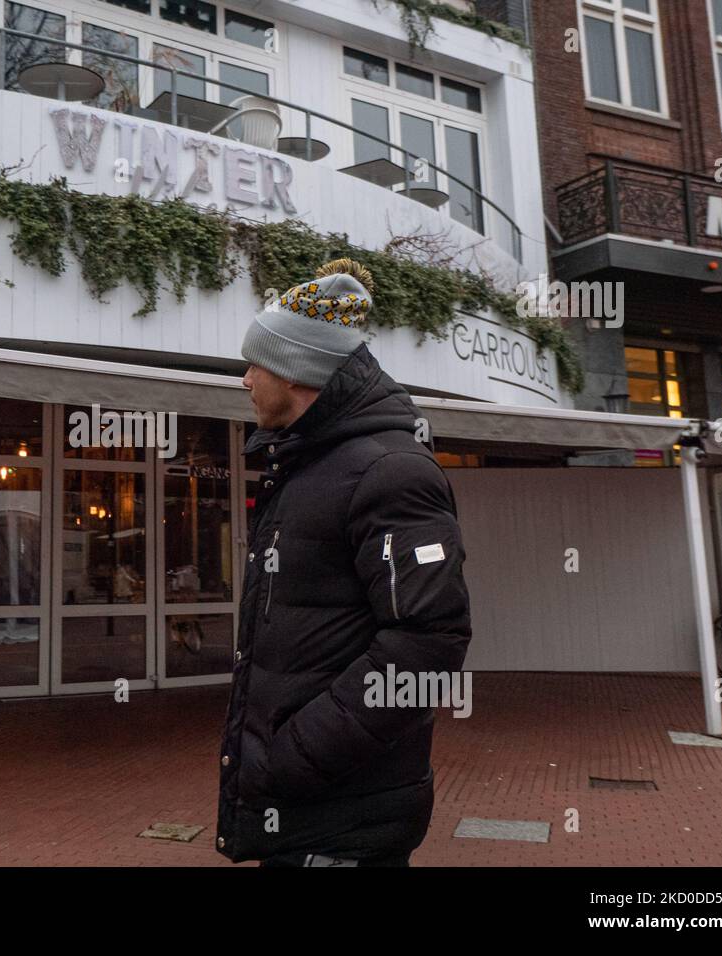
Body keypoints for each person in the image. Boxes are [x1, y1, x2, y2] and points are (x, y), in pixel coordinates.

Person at [214, 258, 472, 868]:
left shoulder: (389, 471)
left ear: (297, 369)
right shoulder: (306, 468)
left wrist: (299, 755)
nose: (245, 378)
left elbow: (429, 644)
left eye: (256, 362)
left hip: (344, 820)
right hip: (305, 818)